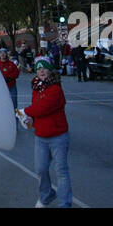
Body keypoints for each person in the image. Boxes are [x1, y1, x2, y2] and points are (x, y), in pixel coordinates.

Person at [20, 57, 70, 207]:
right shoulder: (36, 88)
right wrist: (31, 120)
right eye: (38, 68)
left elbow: (44, 107)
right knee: (41, 169)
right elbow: (38, 110)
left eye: (44, 68)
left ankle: (65, 203)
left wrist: (25, 111)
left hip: (58, 137)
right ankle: (46, 195)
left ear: (49, 70)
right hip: (41, 136)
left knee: (61, 172)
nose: (41, 71)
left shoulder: (55, 89)